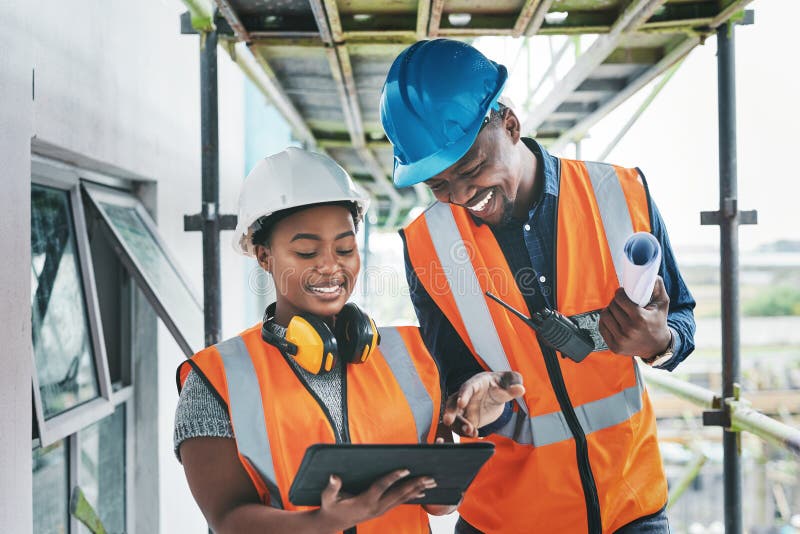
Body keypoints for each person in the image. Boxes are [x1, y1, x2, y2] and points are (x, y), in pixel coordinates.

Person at [380, 39, 697, 533]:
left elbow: (681, 318)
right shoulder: (428, 246)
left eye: (471, 169)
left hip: (628, 509)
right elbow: (453, 375)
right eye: (438, 186)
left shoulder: (621, 195)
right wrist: (469, 399)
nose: (461, 197)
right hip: (506, 520)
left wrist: (659, 342)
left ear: (510, 125)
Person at [173, 147, 523, 534]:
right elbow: (227, 520)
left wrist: (470, 424)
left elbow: (440, 504)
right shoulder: (215, 379)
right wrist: (325, 522)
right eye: (306, 251)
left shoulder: (413, 355)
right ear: (263, 256)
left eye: (345, 248)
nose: (330, 266)